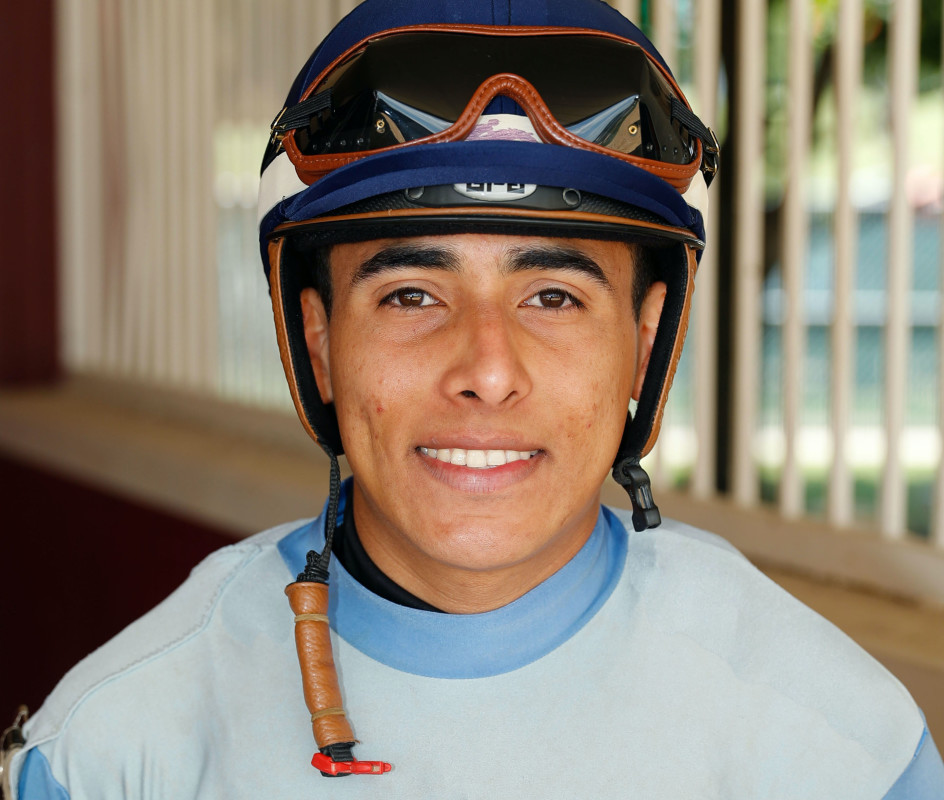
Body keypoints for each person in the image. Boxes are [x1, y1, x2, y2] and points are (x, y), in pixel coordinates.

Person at [6, 0, 944, 797]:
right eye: (412, 294)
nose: (487, 370)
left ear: (644, 344)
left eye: (553, 297)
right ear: (321, 343)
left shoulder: (838, 749)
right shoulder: (115, 749)